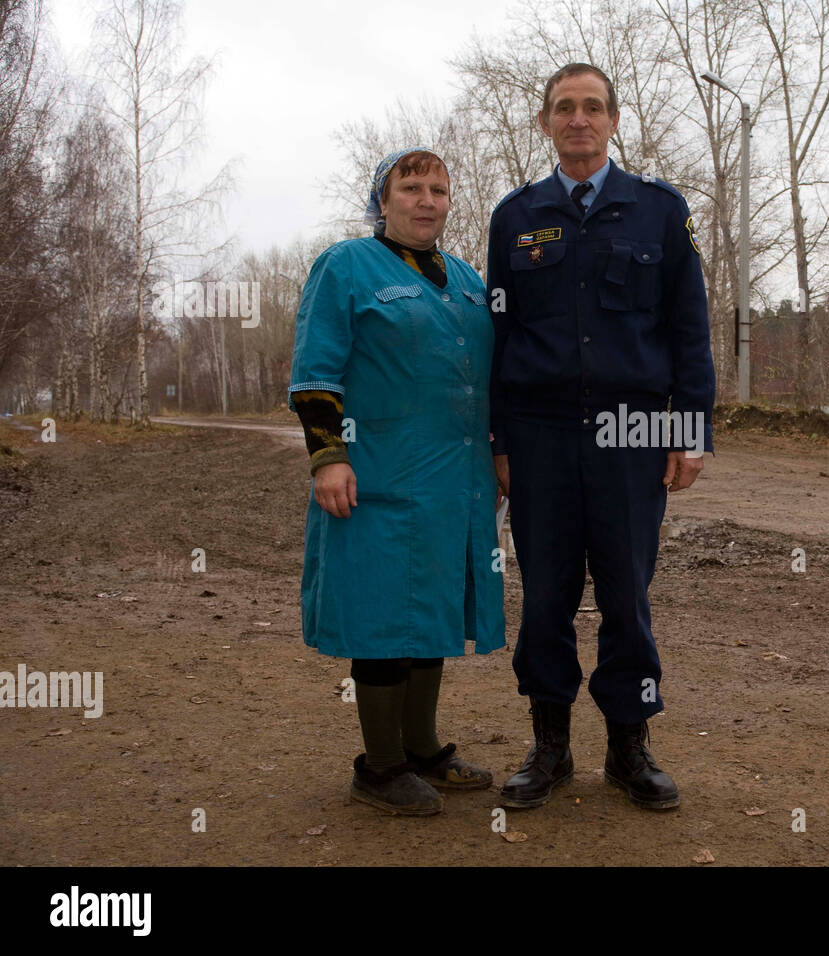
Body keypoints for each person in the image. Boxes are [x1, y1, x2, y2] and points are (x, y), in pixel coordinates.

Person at [488, 63, 716, 811]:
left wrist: (690, 428)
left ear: (613, 120)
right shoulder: (515, 217)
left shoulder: (659, 210)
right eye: (563, 108)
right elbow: (498, 330)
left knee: (626, 594)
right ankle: (549, 746)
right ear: (546, 122)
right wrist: (498, 437)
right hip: (541, 432)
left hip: (636, 430)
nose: (578, 119)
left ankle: (629, 747)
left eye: (591, 108)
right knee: (547, 593)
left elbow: (689, 325)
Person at [289, 146, 505, 815]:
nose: (427, 199)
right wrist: (329, 457)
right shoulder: (346, 266)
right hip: (375, 479)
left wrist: (497, 453)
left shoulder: (468, 277)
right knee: (384, 615)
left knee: (431, 613)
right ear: (382, 201)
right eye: (410, 187)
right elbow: (315, 372)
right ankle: (379, 766)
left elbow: (489, 380)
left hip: (452, 484)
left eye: (439, 188)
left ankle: (422, 750)